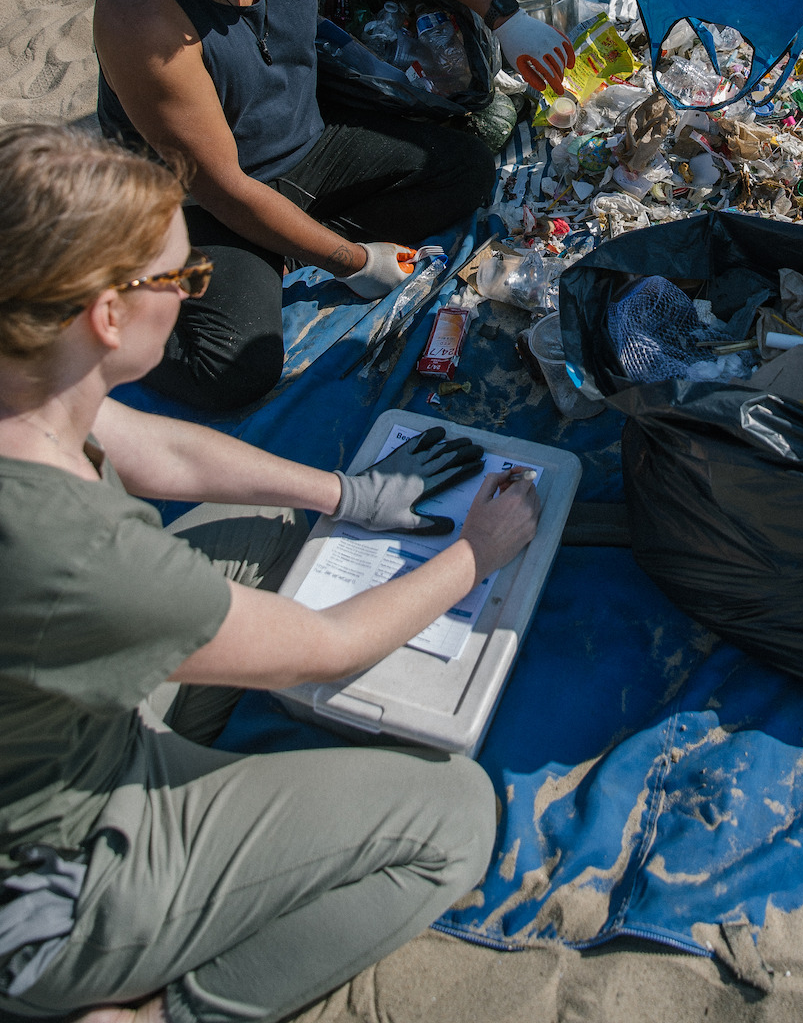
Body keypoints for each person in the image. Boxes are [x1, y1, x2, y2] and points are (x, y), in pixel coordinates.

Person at [0, 122, 539, 1022]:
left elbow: (161, 451)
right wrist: (475, 552)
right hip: (53, 888)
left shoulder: (26, 382)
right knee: (451, 816)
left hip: (54, 729)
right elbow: (326, 648)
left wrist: (349, 494)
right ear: (107, 316)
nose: (194, 291)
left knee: (261, 530)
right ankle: (165, 1011)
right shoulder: (79, 552)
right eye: (184, 279)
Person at [92, 0, 575, 414]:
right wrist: (352, 261)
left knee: (466, 168)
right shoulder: (143, 16)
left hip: (303, 149)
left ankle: (284, 245)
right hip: (201, 204)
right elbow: (222, 187)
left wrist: (505, 17)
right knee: (233, 371)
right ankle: (110, 299)